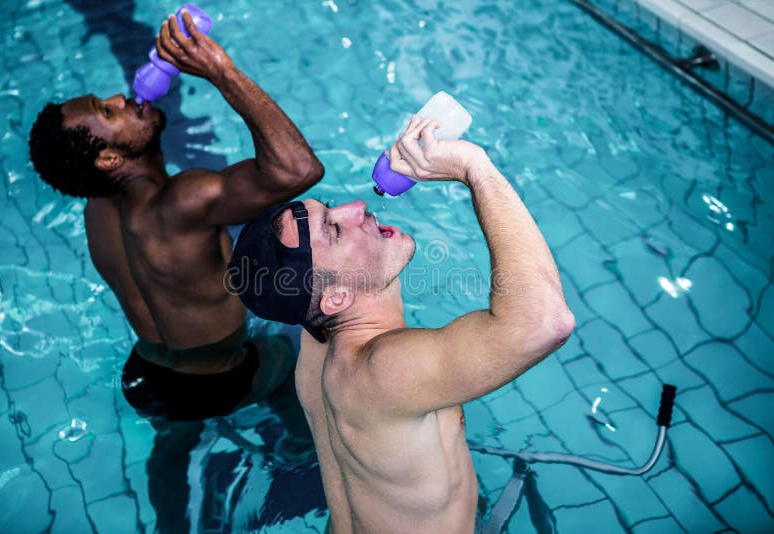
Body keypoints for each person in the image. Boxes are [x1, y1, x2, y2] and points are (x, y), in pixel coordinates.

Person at [227, 115, 575, 533]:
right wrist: (475, 169)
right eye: (334, 230)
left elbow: (306, 283)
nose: (356, 207)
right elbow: (545, 322)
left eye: (332, 208)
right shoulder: (384, 371)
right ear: (337, 298)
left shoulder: (318, 341)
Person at [28, 11, 323, 423]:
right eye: (108, 112)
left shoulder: (96, 210)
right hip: (217, 378)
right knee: (304, 359)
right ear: (110, 159)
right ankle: (292, 433)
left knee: (172, 441)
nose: (120, 98)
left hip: (144, 371)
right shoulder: (183, 203)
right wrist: (220, 71)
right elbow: (299, 169)